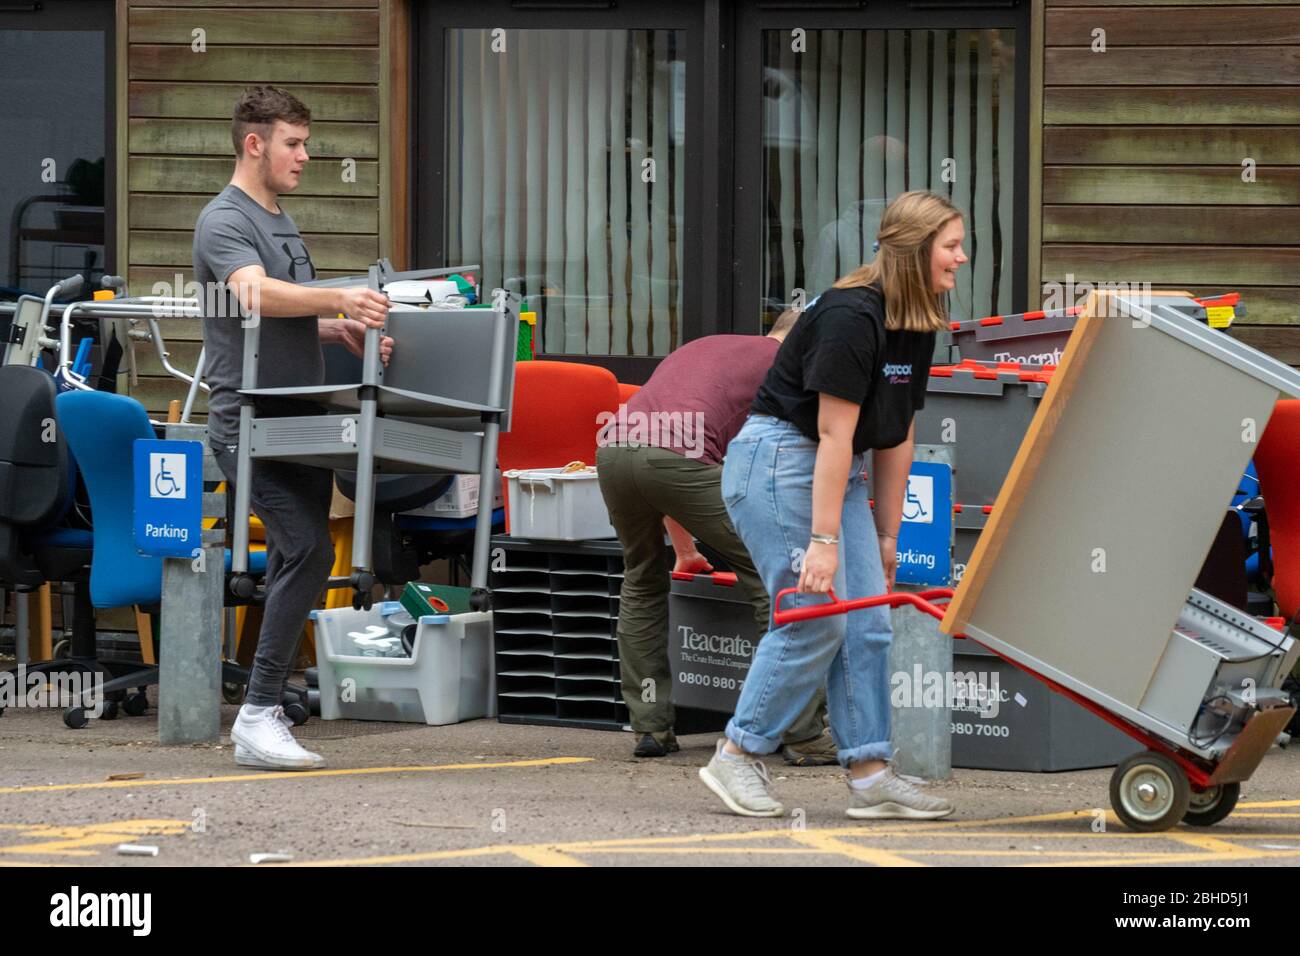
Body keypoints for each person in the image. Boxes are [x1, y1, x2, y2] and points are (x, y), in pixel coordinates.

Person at [698, 190, 967, 819]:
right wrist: (823, 541)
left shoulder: (919, 317)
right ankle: (737, 755)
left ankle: (871, 774)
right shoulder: (851, 316)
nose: (961, 258)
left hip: (830, 473)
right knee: (817, 618)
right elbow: (834, 434)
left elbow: (898, 433)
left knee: (869, 624)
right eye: (951, 246)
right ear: (915, 250)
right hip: (780, 464)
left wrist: (885, 535)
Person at [194, 86, 393, 770]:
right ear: (255, 144)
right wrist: (338, 294)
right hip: (248, 421)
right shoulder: (225, 221)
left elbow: (278, 312)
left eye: (306, 143)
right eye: (294, 143)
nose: (305, 156)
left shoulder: (280, 218)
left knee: (296, 556)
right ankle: (256, 714)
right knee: (308, 549)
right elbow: (251, 293)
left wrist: (336, 328)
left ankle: (266, 703)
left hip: (299, 417)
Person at [595, 310, 836, 763]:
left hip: (613, 452)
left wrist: (684, 551)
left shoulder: (708, 342)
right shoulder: (782, 366)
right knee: (780, 580)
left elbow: (668, 457)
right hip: (675, 462)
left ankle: (650, 728)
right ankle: (802, 734)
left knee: (642, 579)